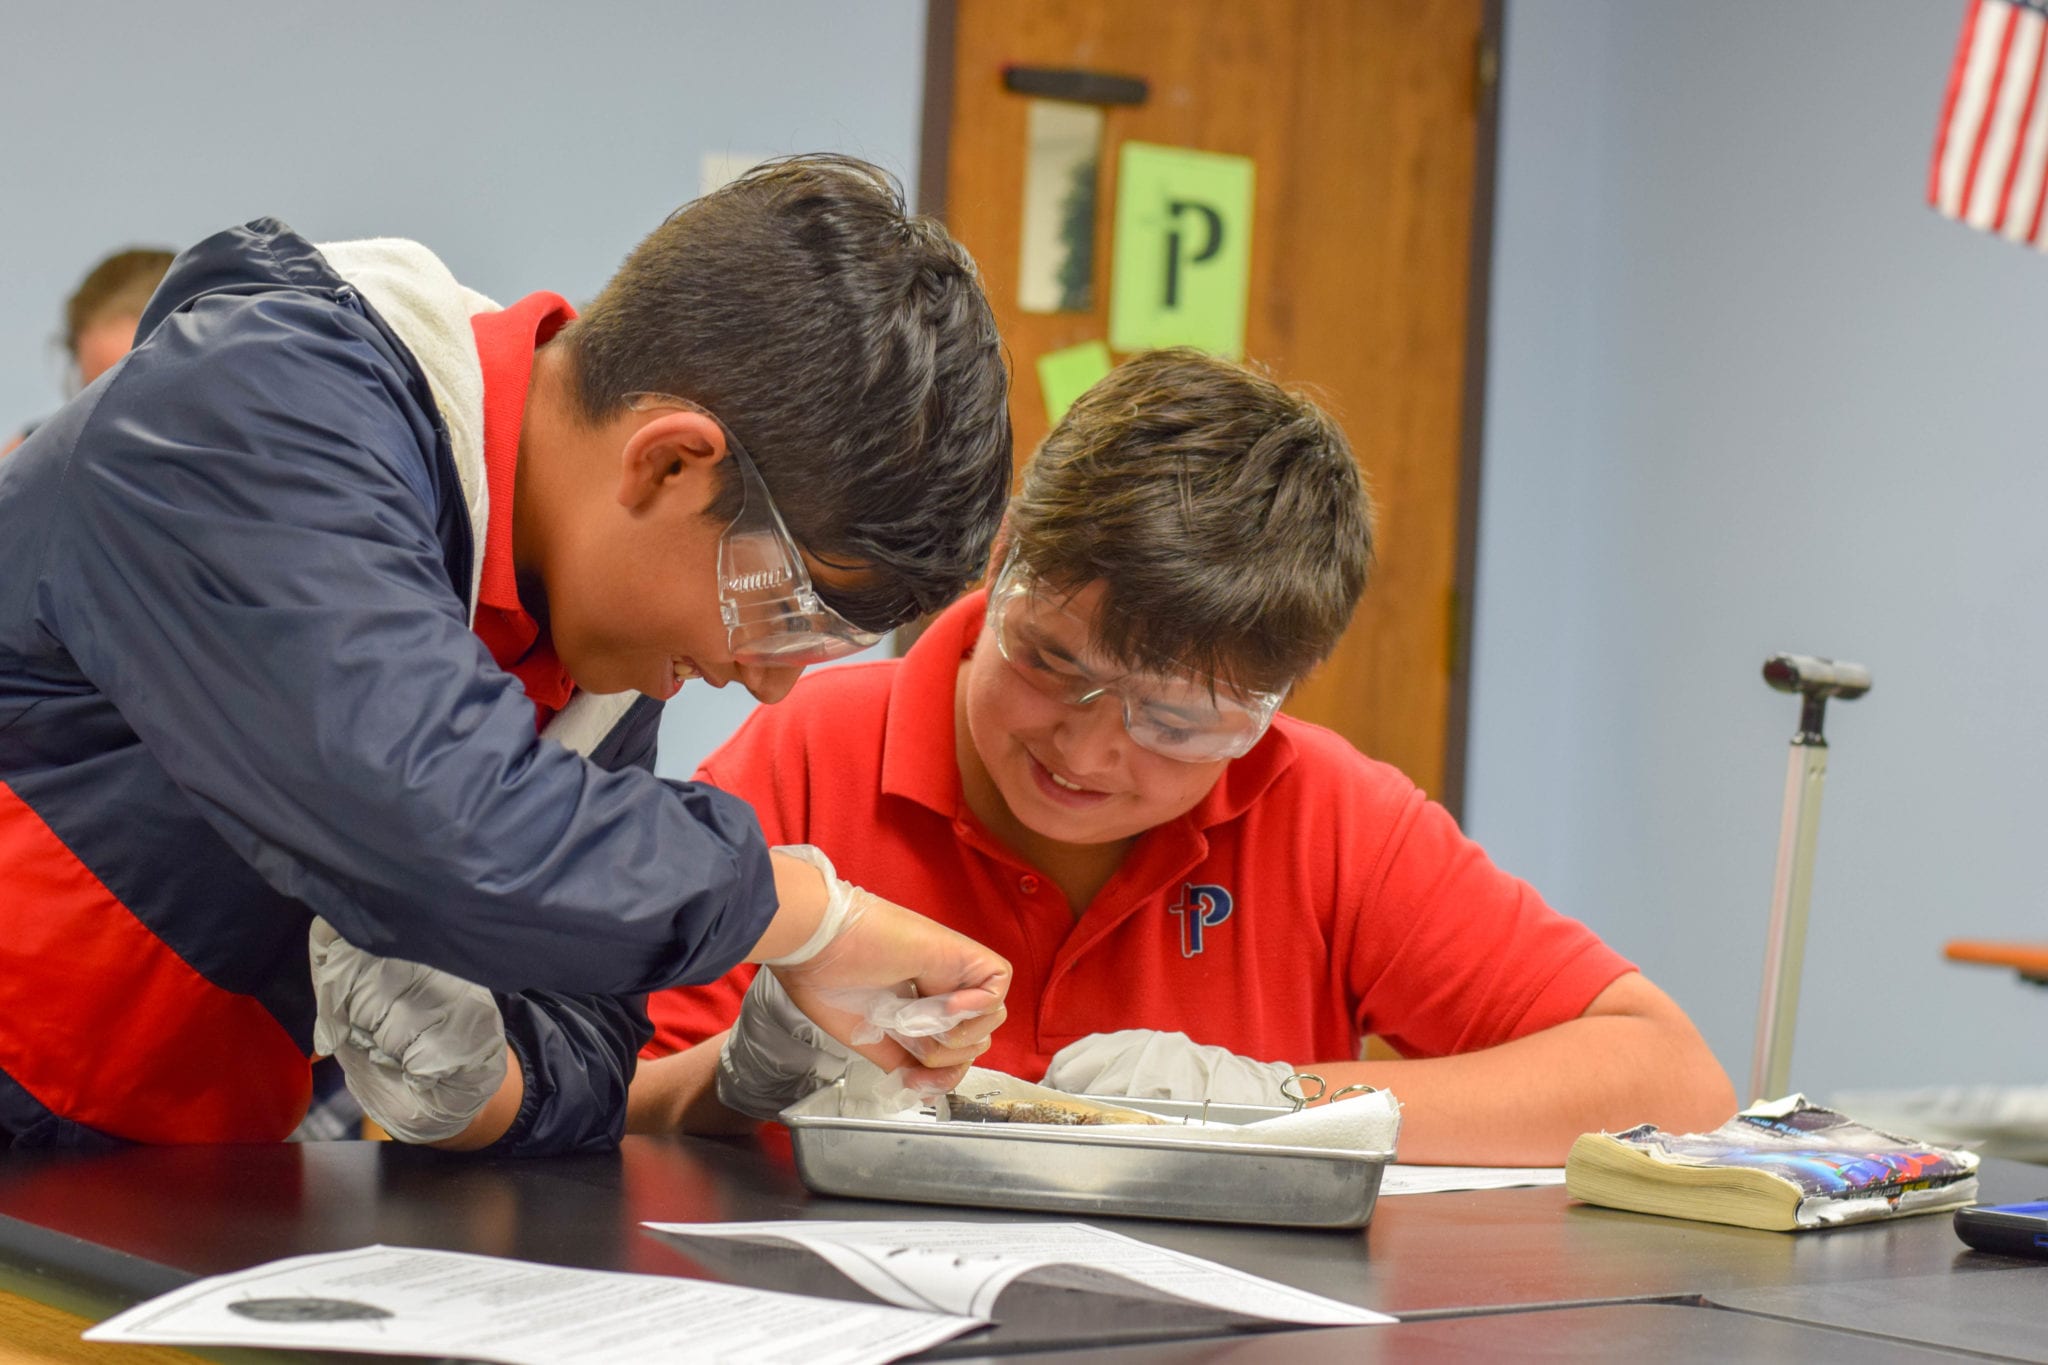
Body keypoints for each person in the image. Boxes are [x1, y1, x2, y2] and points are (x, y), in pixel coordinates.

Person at [0, 156, 1015, 1154]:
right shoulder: (258, 406)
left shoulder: (584, 648)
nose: (767, 678)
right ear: (667, 461)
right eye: (785, 612)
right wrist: (802, 914)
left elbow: (589, 1031)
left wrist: (488, 1084)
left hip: (163, 1187)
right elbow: (430, 815)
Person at [627, 348, 1737, 1165]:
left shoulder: (1324, 811)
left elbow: (1670, 1080)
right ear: (1004, 558)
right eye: (1053, 661)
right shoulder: (810, 755)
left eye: (1178, 723)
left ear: (1278, 699)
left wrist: (1273, 1100)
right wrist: (755, 1073)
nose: (1088, 749)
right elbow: (602, 1095)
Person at [3, 246, 175, 458]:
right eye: (94, 396)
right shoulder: (32, 459)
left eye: (144, 391)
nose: (118, 422)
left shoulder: (223, 463)